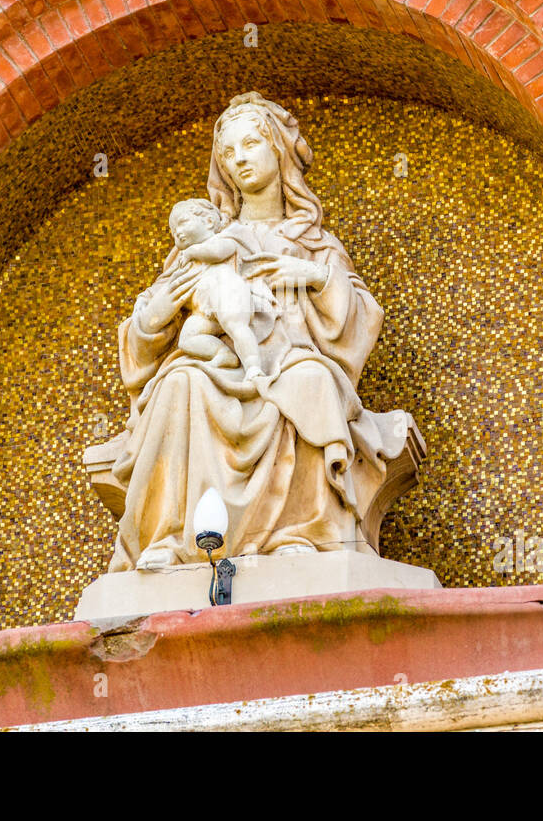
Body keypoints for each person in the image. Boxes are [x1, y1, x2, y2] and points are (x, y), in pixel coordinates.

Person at [108, 92, 411, 572]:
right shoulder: (202, 240)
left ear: (277, 150)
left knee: (310, 379)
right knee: (179, 382)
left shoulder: (311, 242)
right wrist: (161, 309)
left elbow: (358, 319)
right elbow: (141, 337)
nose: (240, 158)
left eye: (251, 143)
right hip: (212, 363)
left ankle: (299, 531)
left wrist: (312, 276)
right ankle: (171, 537)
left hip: (289, 358)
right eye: (229, 152)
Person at [165, 197, 275, 380]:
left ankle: (253, 366)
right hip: (203, 309)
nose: (178, 232)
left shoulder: (225, 240)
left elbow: (216, 253)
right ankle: (223, 354)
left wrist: (193, 252)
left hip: (227, 293)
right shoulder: (183, 260)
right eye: (173, 231)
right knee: (187, 338)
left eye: (183, 223)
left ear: (208, 222)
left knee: (237, 327)